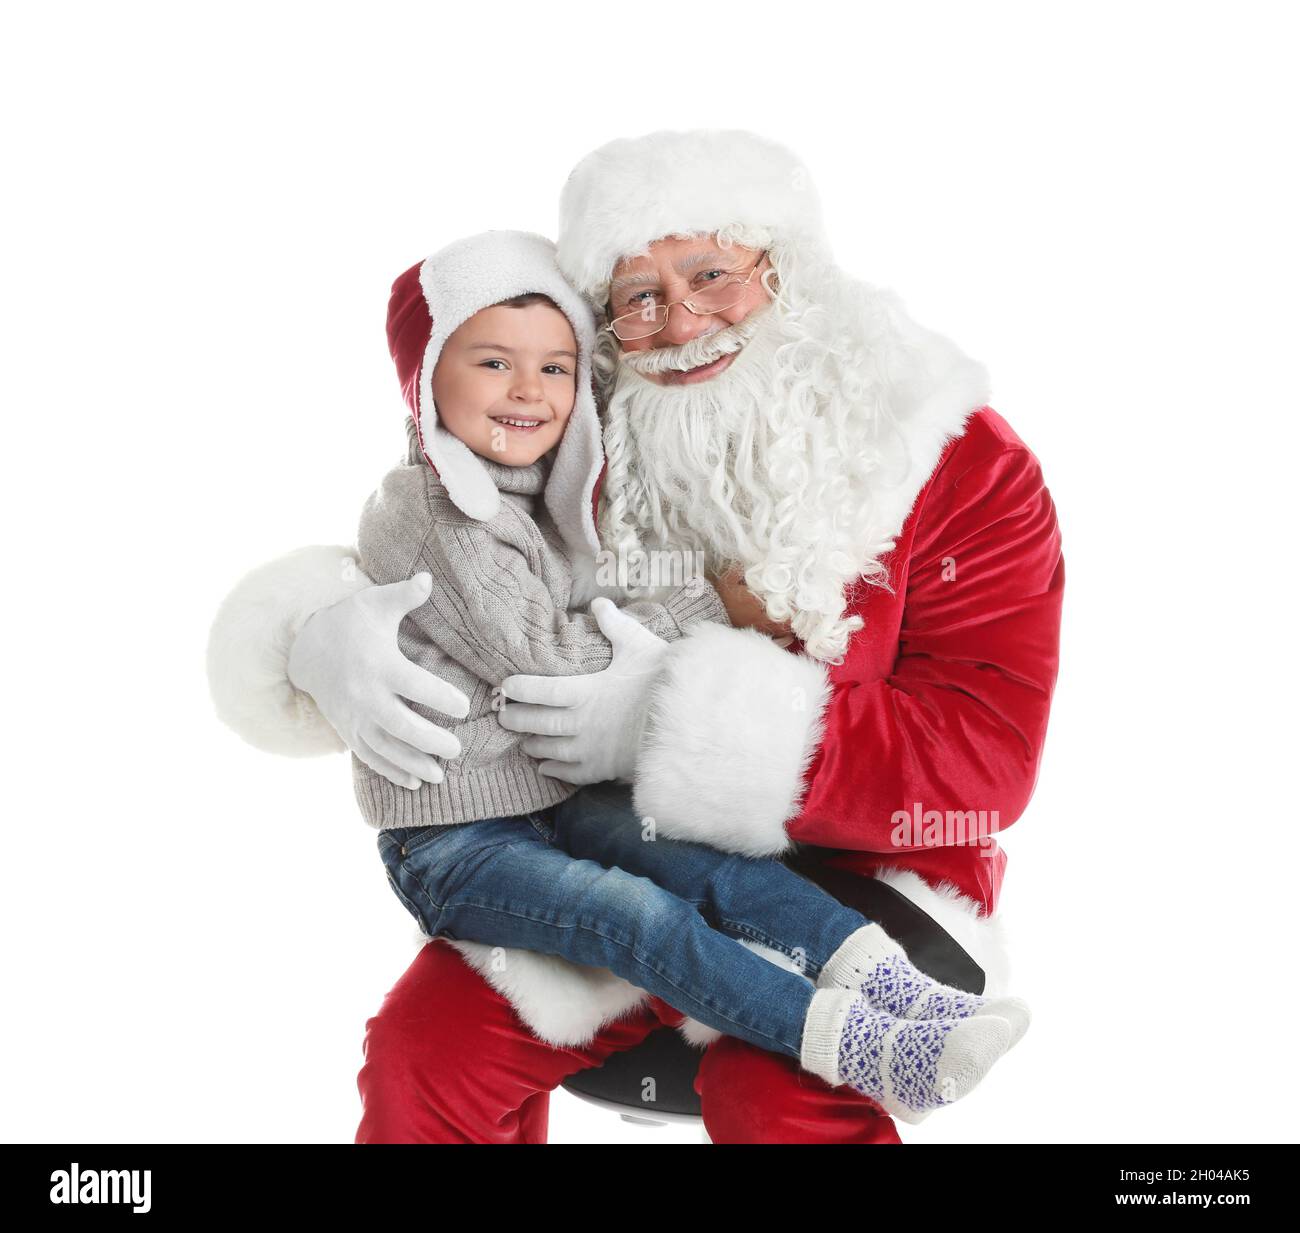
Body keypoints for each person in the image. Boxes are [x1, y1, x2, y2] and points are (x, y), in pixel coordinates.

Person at [207, 129, 1064, 1143]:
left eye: (710, 273)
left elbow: (983, 763)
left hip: (867, 871)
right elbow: (447, 515)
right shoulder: (587, 421)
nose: (680, 322)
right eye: (636, 297)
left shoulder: (954, 457)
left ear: (785, 272)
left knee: (776, 1095)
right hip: (592, 844)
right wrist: (313, 637)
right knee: (423, 1053)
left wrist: (673, 727)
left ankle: (885, 1026)